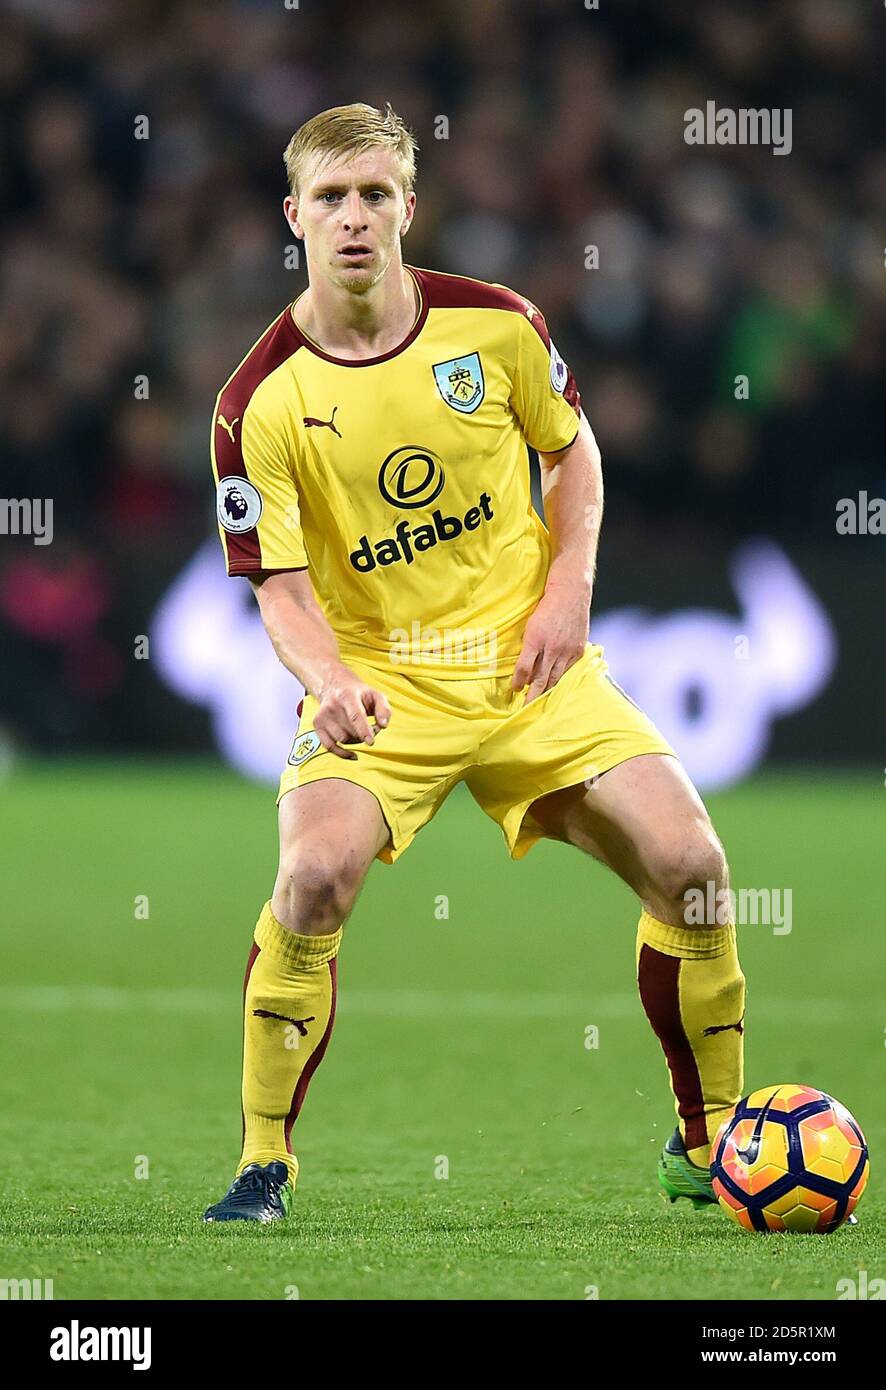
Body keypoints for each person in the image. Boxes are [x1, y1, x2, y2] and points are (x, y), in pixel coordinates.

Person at [203, 102, 744, 1223]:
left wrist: (566, 590)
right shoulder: (256, 401)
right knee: (311, 881)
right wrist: (328, 682)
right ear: (292, 215)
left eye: (375, 195)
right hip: (380, 687)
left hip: (526, 673)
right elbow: (280, 588)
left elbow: (574, 455)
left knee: (692, 864)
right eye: (331, 198)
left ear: (410, 206)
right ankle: (264, 1162)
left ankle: (713, 1144)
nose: (354, 219)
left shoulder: (495, 326)